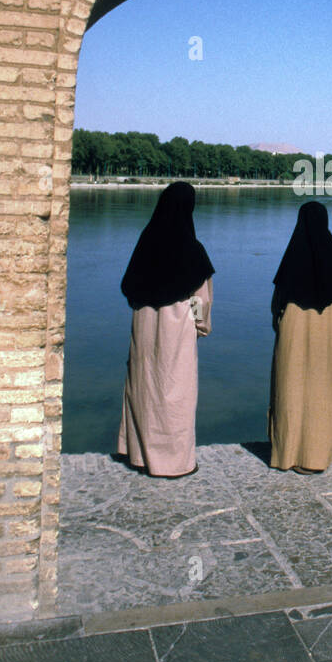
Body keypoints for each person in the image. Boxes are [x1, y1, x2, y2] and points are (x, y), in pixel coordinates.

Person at [116, 181, 214, 477]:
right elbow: (200, 299)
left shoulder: (146, 241)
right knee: (174, 391)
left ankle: (140, 454)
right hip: (177, 327)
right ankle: (173, 462)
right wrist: (199, 325)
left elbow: (129, 286)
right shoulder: (192, 250)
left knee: (144, 385)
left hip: (144, 322)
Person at [268, 200, 332, 473]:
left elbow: (275, 309)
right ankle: (315, 458)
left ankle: (287, 454)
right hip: (330, 344)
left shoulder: (290, 266)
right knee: (323, 396)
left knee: (291, 392)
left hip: (293, 341)